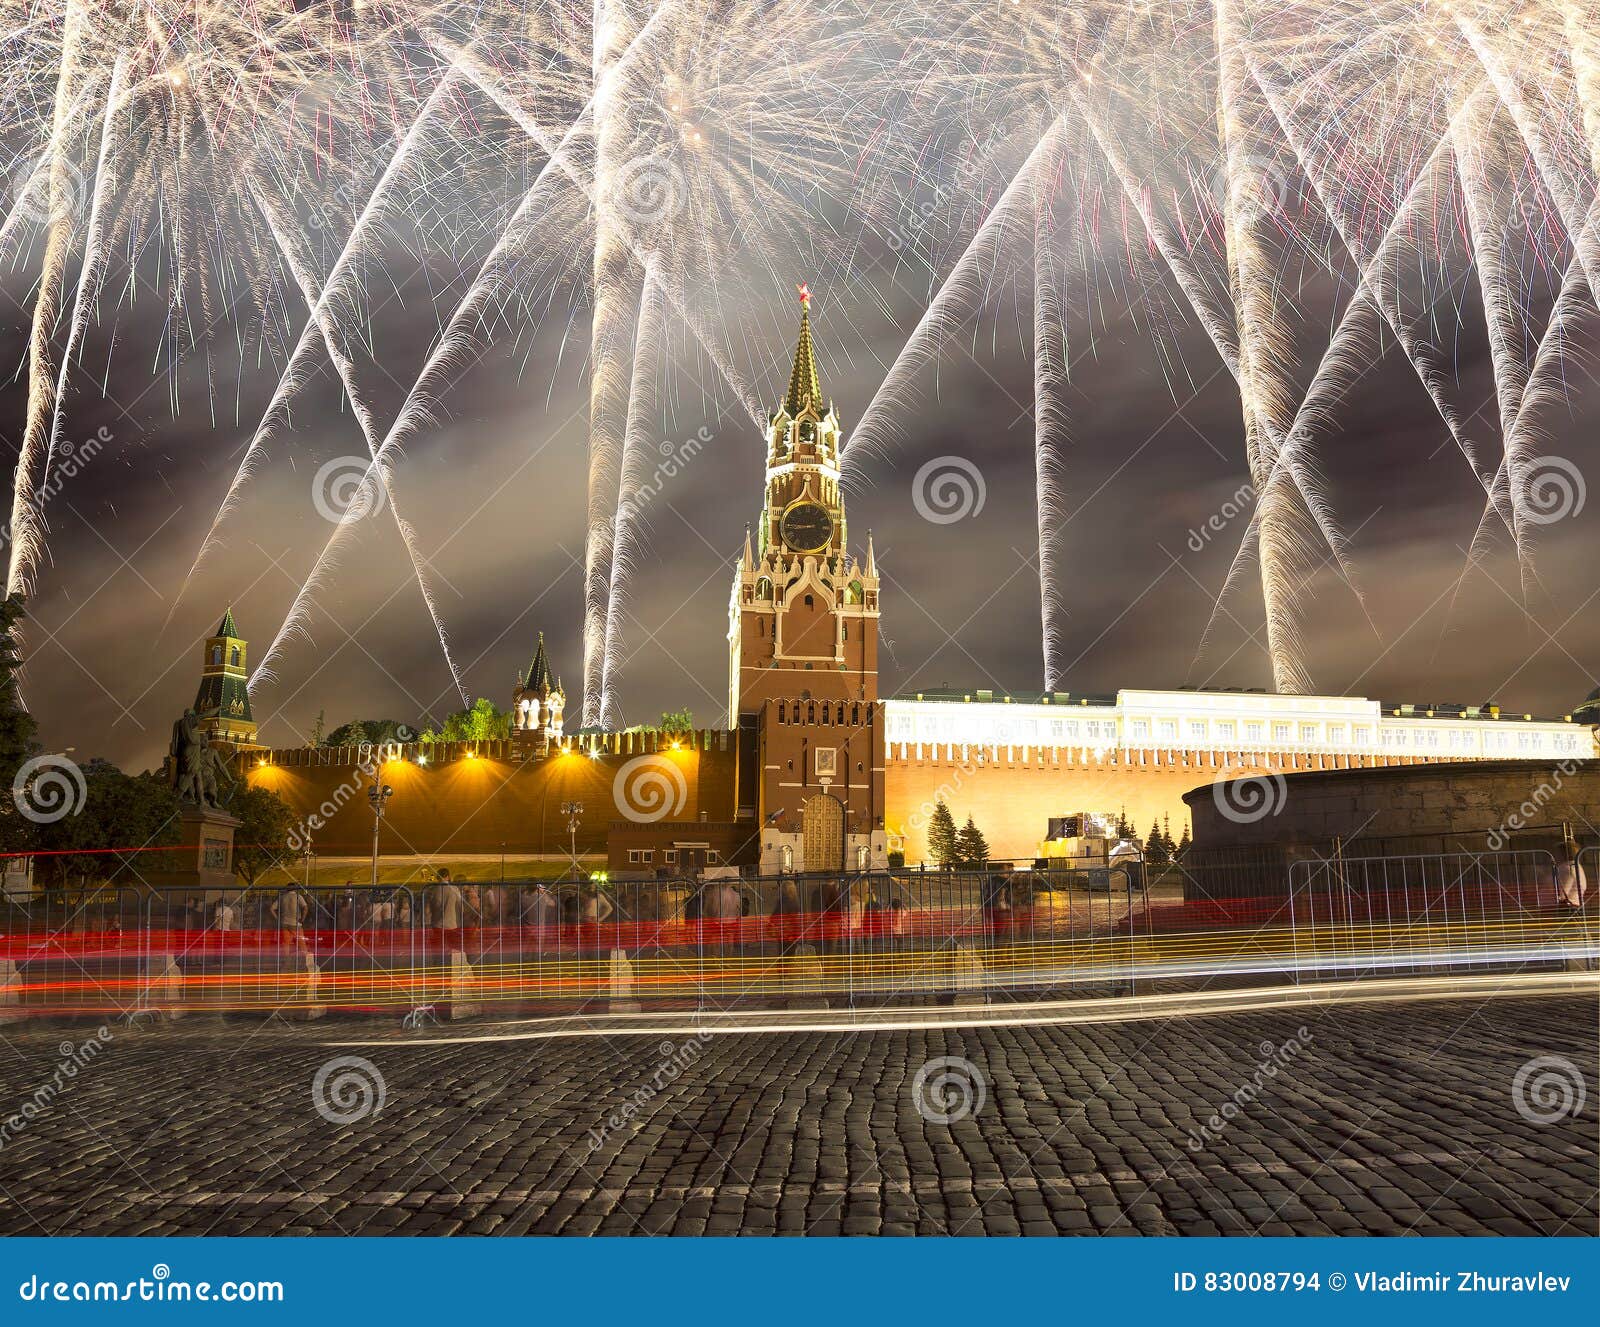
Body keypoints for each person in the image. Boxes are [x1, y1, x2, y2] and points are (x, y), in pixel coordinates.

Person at [1555, 837, 1589, 908]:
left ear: (1563, 854)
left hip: (1568, 908)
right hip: (1577, 906)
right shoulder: (1577, 866)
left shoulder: (1566, 868)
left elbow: (1562, 894)